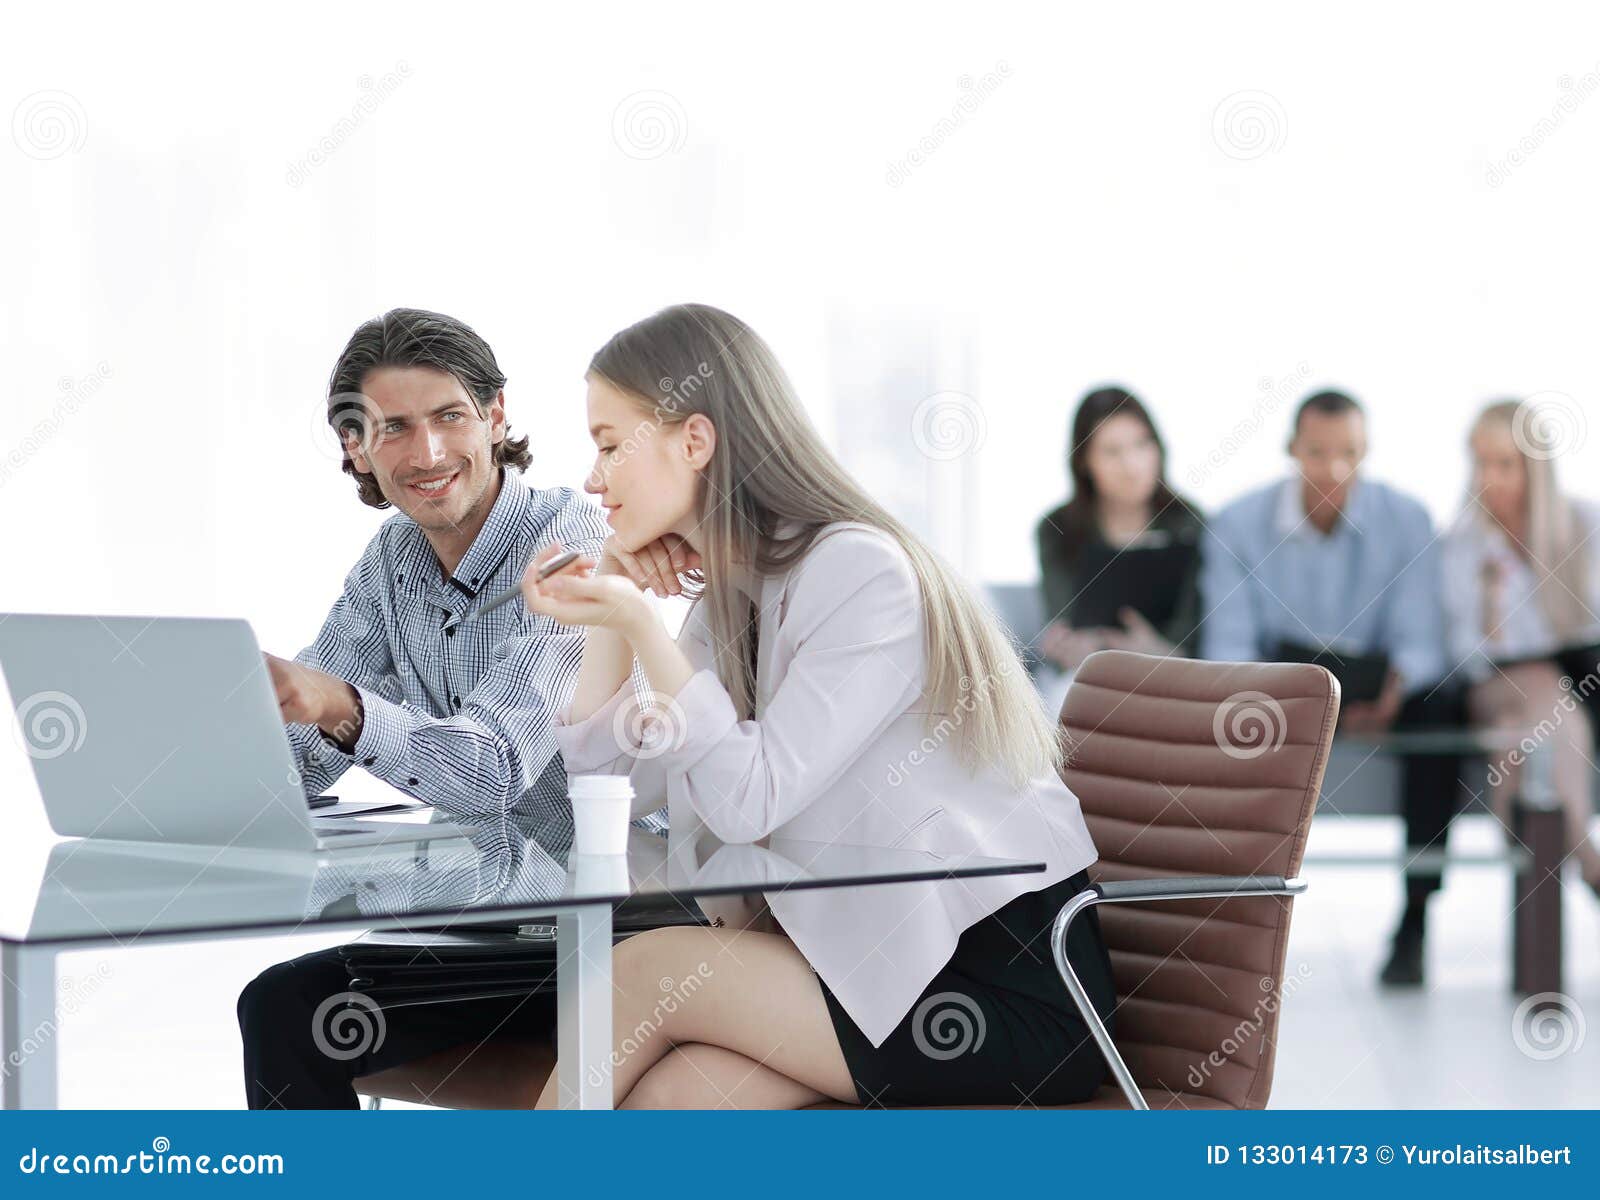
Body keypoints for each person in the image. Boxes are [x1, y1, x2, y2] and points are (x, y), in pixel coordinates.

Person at [517, 303, 1114, 1108]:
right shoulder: (731, 599)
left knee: (643, 972)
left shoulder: (860, 574)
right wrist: (616, 611)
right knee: (669, 1105)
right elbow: (606, 786)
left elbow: (748, 796)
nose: (593, 480)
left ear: (695, 441)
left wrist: (635, 623)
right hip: (869, 970)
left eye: (610, 445)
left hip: (993, 991)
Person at [238, 307, 679, 1109]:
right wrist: (228, 733)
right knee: (284, 1007)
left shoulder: (573, 542)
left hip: (616, 923)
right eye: (393, 428)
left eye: (450, 417)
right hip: (494, 915)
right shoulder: (392, 561)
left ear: (496, 416)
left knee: (291, 1007)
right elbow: (306, 757)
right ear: (356, 447)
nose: (429, 452)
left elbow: (493, 772)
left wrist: (344, 707)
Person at [1199, 389, 1464, 987]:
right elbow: (1230, 648)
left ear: (1366, 451)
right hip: (1280, 700)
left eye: (1348, 452)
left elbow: (1420, 640)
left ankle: (1415, 918)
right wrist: (1295, 705)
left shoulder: (1409, 518)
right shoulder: (1237, 523)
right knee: (1227, 711)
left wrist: (1397, 684)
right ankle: (1231, 924)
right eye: (1317, 451)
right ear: (1292, 449)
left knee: (1441, 704)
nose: (1334, 469)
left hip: (1380, 697)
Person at [1442, 399, 1600, 899]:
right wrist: (1492, 602)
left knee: (1520, 737)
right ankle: (1591, 863)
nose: (1490, 477)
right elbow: (1463, 653)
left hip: (1568, 684)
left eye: (1504, 463)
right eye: (1481, 462)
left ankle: (1531, 868)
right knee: (1541, 698)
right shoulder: (1462, 545)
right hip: (1493, 683)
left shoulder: (1583, 525)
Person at [1036, 386, 1204, 676]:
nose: (1132, 465)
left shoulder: (1189, 521)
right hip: (1085, 674)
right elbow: (1062, 618)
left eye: (1142, 444)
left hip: (1170, 671)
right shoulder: (1056, 528)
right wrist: (1071, 646)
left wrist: (1158, 651)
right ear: (1085, 461)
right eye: (1112, 452)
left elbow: (1196, 630)